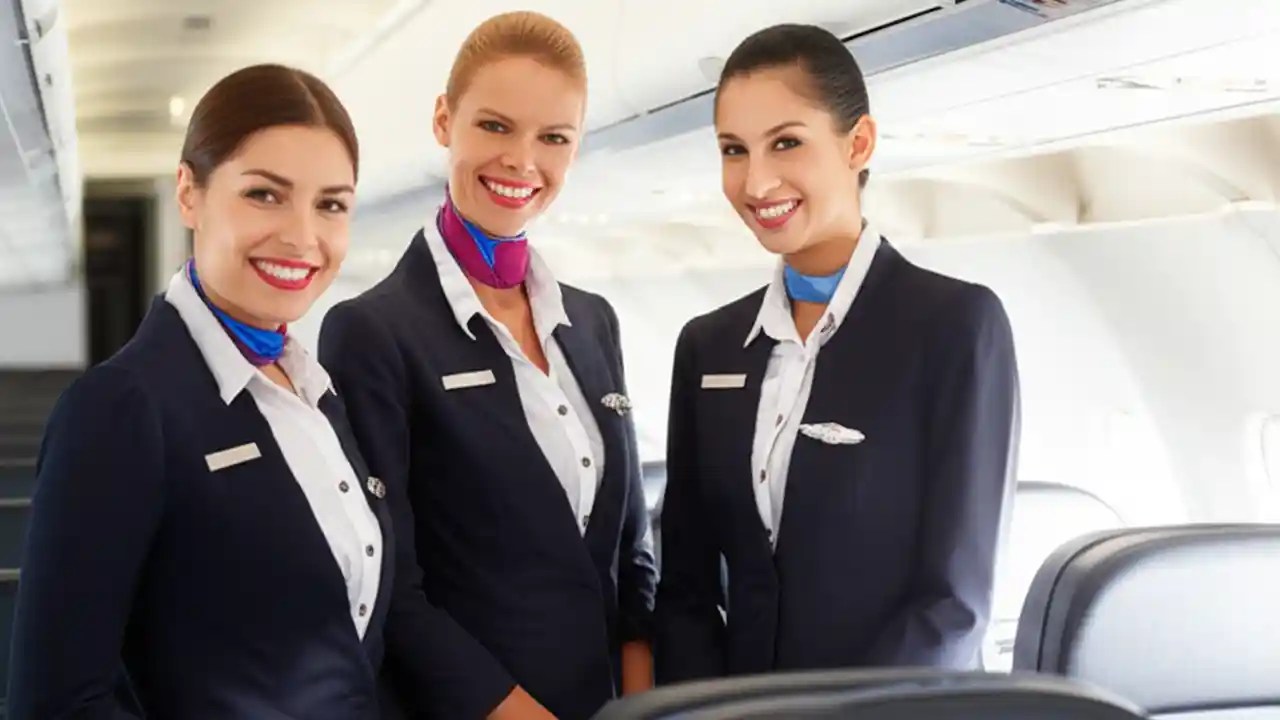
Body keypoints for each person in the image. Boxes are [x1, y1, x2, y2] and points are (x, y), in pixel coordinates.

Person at [7, 64, 393, 719]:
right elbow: (58, 703)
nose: (302, 236)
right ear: (190, 193)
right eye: (265, 195)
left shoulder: (320, 396)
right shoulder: (120, 410)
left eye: (330, 204)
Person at [653, 24, 1020, 683]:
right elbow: (685, 588)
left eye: (786, 143)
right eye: (734, 150)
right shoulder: (707, 347)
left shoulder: (951, 326)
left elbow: (953, 607)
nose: (756, 180)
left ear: (859, 143)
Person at [318, 11, 657, 720]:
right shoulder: (371, 334)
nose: (522, 162)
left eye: (553, 138)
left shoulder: (592, 321)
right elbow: (391, 587)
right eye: (495, 127)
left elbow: (629, 549)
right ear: (445, 121)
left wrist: (642, 698)